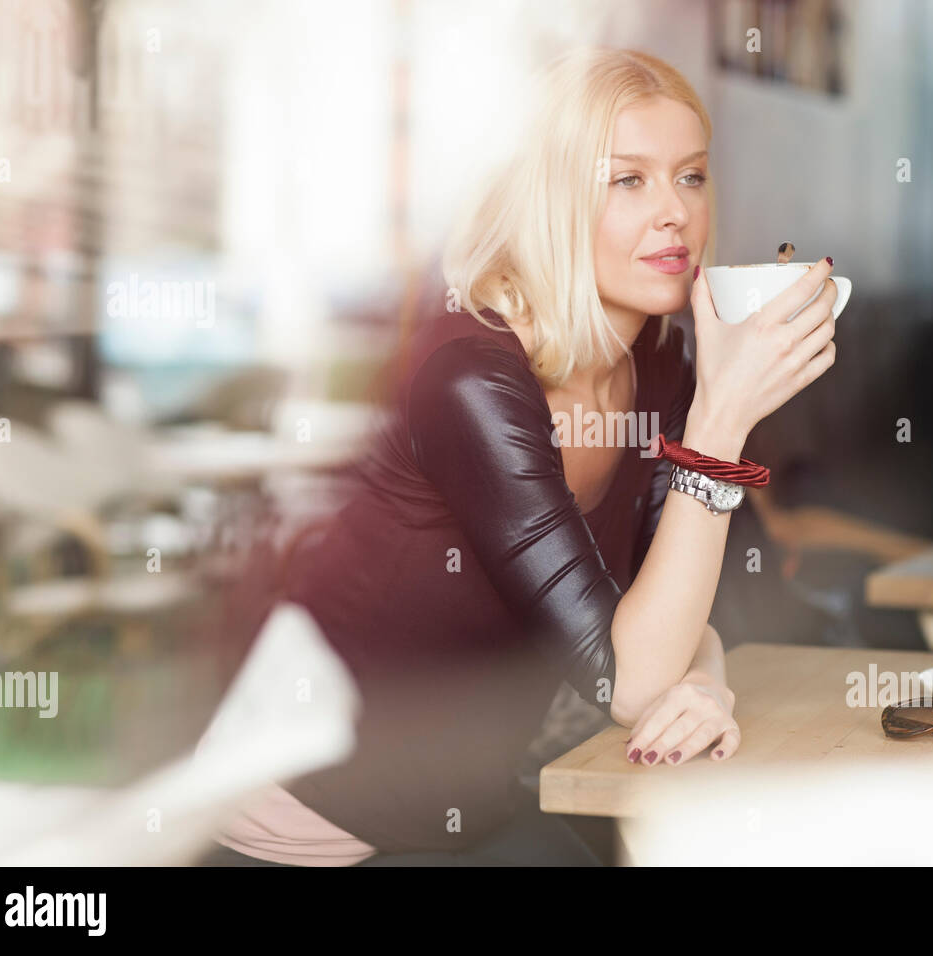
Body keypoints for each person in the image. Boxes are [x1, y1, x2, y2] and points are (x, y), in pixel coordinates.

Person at [201, 46, 840, 866]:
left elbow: (665, 619)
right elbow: (627, 683)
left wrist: (705, 685)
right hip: (303, 836)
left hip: (468, 816)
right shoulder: (469, 378)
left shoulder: (664, 369)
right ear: (553, 201)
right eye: (628, 180)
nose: (675, 211)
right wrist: (723, 423)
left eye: (690, 175)